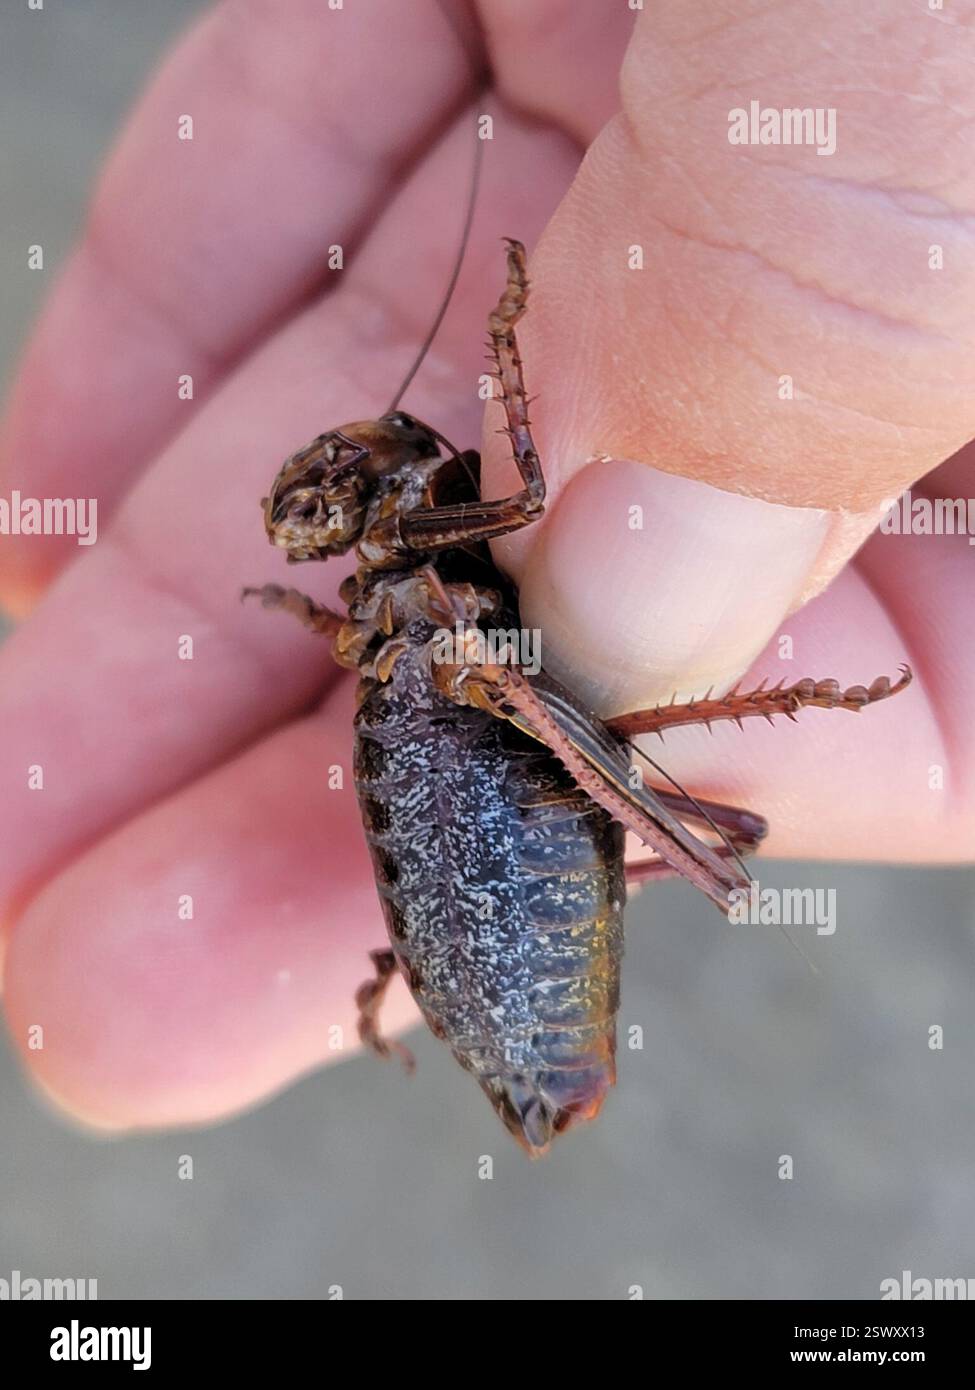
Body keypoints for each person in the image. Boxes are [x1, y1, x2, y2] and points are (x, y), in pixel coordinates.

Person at [0, 0, 971, 1130]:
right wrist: (504, 346)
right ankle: (754, 738)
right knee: (545, 701)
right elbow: (515, 506)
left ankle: (741, 751)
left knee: (550, 701)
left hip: (475, 785)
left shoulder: (414, 589)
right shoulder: (419, 582)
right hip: (481, 770)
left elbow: (493, 533)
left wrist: (516, 344)